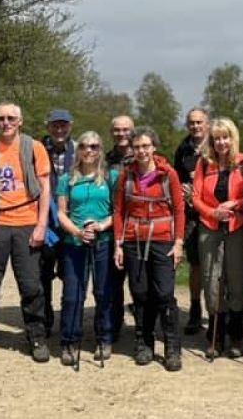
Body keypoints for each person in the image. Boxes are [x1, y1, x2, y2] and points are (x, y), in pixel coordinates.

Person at [0, 102, 53, 365]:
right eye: (1, 118)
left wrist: (41, 225)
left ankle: (37, 336)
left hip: (26, 223)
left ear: (20, 121)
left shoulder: (34, 148)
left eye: (11, 118)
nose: (6, 123)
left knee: (31, 285)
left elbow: (45, 188)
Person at [113, 127, 185, 372]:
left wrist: (178, 243)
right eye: (137, 147)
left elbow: (178, 209)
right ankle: (144, 342)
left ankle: (172, 347)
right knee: (140, 293)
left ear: (154, 147)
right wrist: (118, 244)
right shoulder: (126, 176)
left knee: (164, 293)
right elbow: (119, 211)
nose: (141, 151)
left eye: (146, 146)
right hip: (133, 240)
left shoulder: (168, 175)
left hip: (162, 239)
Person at [193, 117, 243, 358]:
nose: (221, 142)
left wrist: (235, 204)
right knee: (211, 279)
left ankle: (236, 335)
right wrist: (213, 212)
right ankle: (215, 336)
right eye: (217, 138)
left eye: (225, 137)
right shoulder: (204, 163)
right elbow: (195, 197)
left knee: (236, 280)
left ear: (233, 138)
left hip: (236, 226)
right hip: (210, 227)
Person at [56, 131, 117, 366]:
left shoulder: (110, 177)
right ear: (78, 150)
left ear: (100, 149)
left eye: (94, 146)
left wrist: (101, 225)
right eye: (83, 146)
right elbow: (61, 212)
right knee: (73, 294)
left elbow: (117, 211)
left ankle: (104, 338)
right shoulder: (66, 179)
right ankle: (69, 340)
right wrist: (77, 231)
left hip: (103, 242)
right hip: (75, 243)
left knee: (103, 293)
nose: (88, 150)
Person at [40, 108, 76, 336]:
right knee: (42, 272)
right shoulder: (37, 150)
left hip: (70, 220)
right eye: (55, 125)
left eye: (63, 125)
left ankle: (69, 319)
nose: (59, 129)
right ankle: (44, 319)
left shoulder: (79, 150)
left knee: (69, 272)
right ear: (48, 127)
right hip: (44, 220)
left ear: (70, 126)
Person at [173, 107, 209, 334]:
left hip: (214, 212)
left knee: (217, 265)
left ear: (207, 123)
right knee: (195, 264)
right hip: (192, 215)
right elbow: (176, 178)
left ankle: (218, 312)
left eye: (199, 122)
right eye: (192, 122)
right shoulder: (183, 148)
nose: (195, 126)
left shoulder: (218, 144)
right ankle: (195, 310)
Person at [103, 114, 135, 340]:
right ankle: (114, 323)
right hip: (112, 225)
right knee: (113, 279)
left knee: (139, 281)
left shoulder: (143, 155)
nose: (121, 134)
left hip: (139, 226)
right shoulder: (105, 161)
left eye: (125, 130)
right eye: (117, 130)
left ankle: (144, 328)